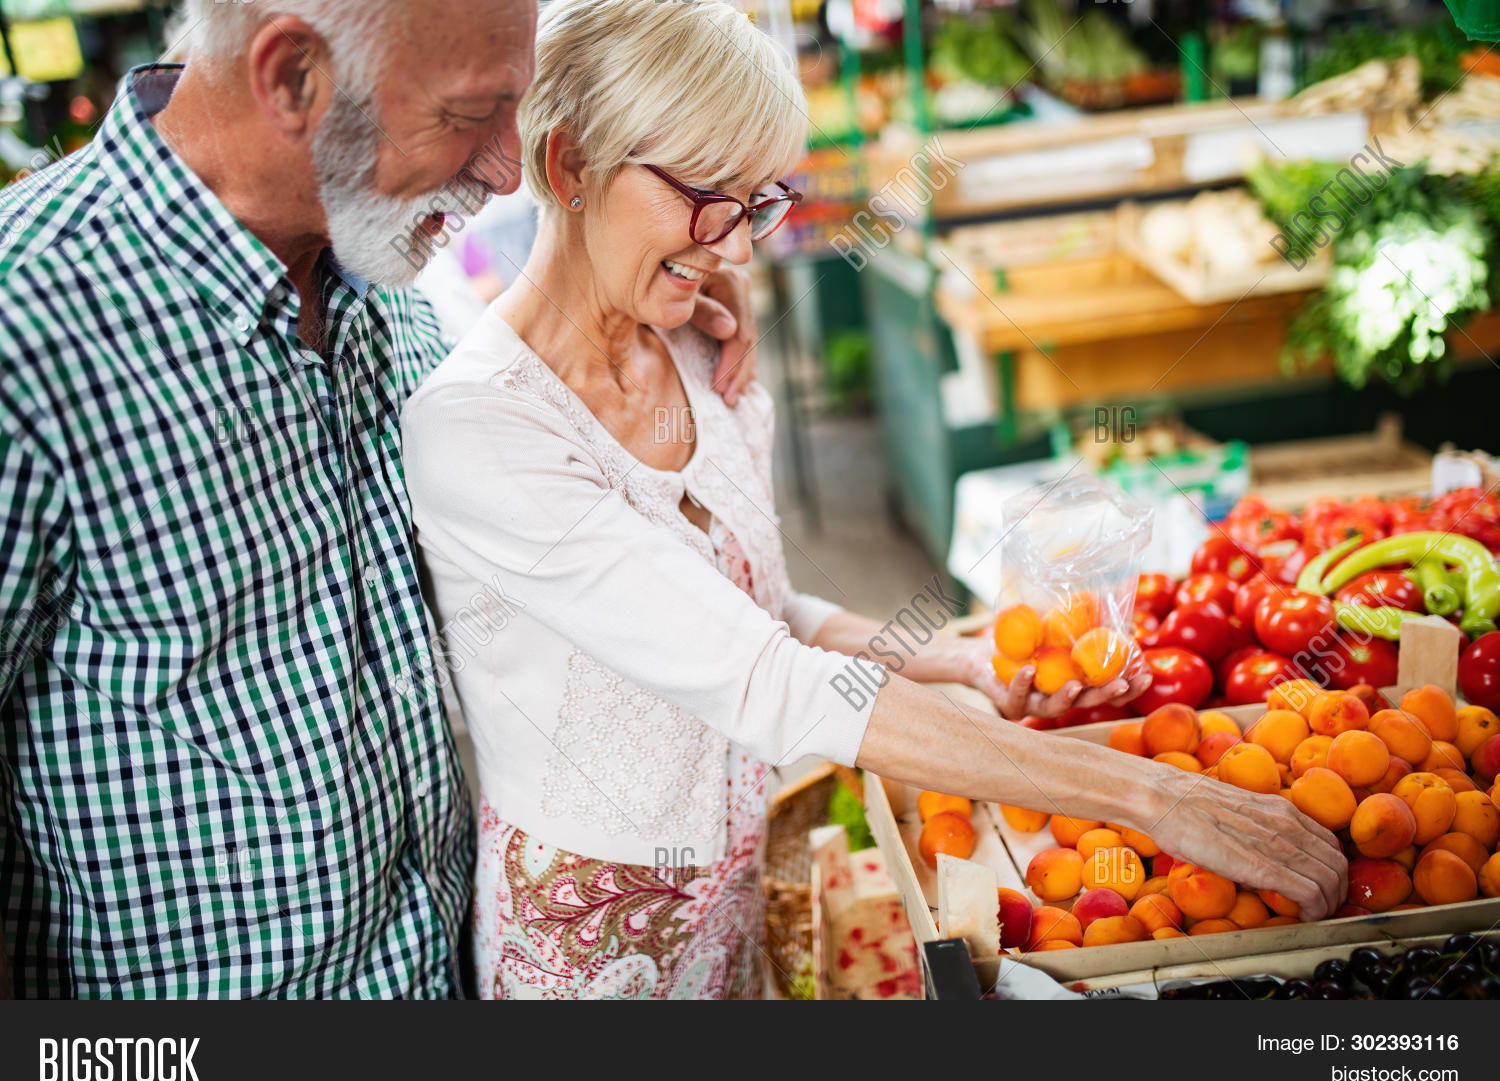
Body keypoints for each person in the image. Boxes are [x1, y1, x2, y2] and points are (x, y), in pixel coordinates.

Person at [402, 0, 1346, 1000]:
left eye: (756, 202)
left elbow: (760, 613)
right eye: (706, 198)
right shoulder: (480, 432)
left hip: (733, 879)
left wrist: (959, 660)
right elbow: (765, 678)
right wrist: (1153, 794)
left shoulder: (690, 345)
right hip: (587, 944)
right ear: (570, 168)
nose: (736, 251)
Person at [0, 0, 762, 998]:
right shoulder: (29, 326)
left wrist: (647, 301)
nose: (502, 171)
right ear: (293, 80)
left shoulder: (386, 285)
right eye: (468, 116)